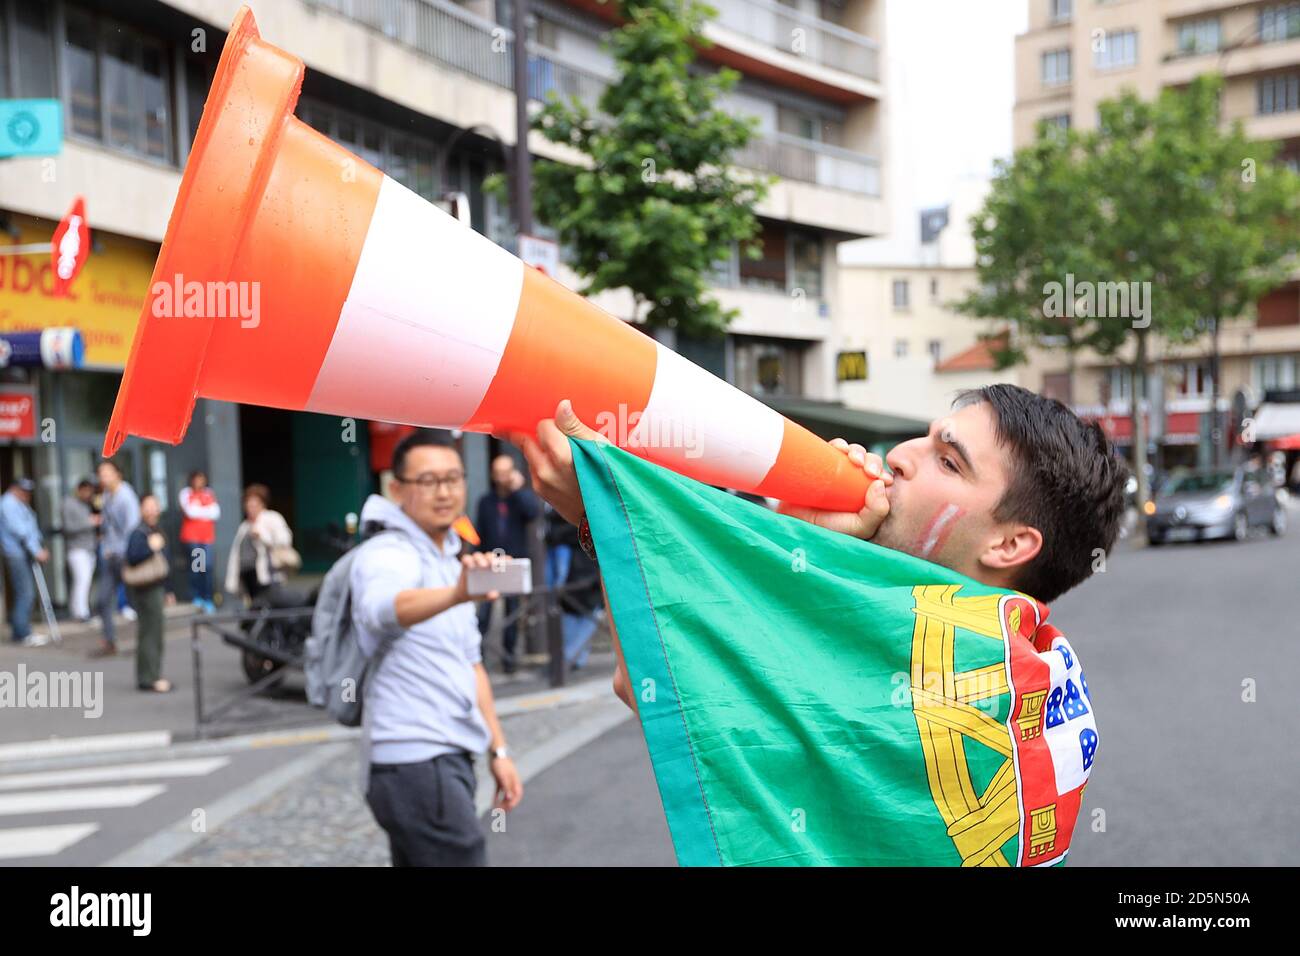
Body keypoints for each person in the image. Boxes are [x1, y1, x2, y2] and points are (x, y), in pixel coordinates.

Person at [509, 385, 1127, 712]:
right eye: (929, 437)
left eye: (948, 461)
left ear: (1011, 543)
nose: (901, 456)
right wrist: (807, 550)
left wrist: (600, 514)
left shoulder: (942, 685)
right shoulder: (1025, 665)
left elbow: (658, 689)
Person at [351, 429, 523, 866]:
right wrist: (457, 594)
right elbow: (382, 607)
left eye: (453, 478)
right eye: (427, 481)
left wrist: (498, 750)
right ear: (396, 488)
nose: (444, 492)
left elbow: (471, 663)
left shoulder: (448, 556)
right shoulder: (387, 551)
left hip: (444, 756)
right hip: (414, 759)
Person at [474, 454, 540, 673]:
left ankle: (509, 660)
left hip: (513, 559)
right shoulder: (486, 501)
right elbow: (480, 531)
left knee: (512, 614)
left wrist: (519, 489)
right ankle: (478, 657)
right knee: (483, 613)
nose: (502, 478)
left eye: (506, 473)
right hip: (489, 561)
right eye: (498, 473)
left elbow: (532, 512)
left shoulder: (519, 499)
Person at [124, 494, 174, 693]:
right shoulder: (139, 533)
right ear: (141, 509)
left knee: (155, 632)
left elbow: (165, 563)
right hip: (146, 588)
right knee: (150, 633)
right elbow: (132, 557)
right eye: (148, 506)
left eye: (155, 506)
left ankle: (153, 675)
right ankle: (148, 677)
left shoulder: (157, 530)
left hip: (157, 586)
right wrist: (150, 547)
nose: (153, 510)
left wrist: (169, 590)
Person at [93, 459, 140, 657]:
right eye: (101, 474)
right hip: (110, 555)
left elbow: (133, 526)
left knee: (136, 599)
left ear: (117, 474)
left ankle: (146, 639)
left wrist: (127, 552)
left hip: (125, 555)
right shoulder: (105, 496)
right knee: (102, 599)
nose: (103, 477)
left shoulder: (125, 495)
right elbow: (106, 526)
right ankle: (110, 640)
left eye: (107, 473)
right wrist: (104, 546)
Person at [0, 478, 50, 647]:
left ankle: (18, 631)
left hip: (22, 553)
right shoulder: (8, 504)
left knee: (23, 592)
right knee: (26, 593)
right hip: (18, 554)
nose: (26, 495)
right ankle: (23, 633)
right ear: (14, 489)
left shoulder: (18, 504)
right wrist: (36, 550)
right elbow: (21, 531)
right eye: (23, 491)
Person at [224, 484, 294, 604]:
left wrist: (262, 536)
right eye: (248, 505)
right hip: (248, 576)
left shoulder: (272, 518)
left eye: (254, 505)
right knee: (254, 607)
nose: (251, 508)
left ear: (262, 504)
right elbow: (236, 553)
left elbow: (285, 540)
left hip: (268, 575)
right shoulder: (245, 526)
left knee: (269, 606)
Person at [178, 470, 220, 613]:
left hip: (206, 538)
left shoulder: (209, 493)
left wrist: (200, 510)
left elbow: (215, 513)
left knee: (206, 567)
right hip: (193, 538)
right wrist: (204, 511)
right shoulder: (186, 493)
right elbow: (190, 512)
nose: (199, 482)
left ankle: (207, 598)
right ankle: (198, 597)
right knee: (198, 567)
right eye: (196, 479)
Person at [62, 480, 100, 622]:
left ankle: (79, 611)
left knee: (85, 581)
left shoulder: (87, 504)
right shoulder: (68, 503)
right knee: (82, 580)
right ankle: (82, 613)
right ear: (79, 489)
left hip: (90, 548)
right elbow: (68, 528)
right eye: (86, 491)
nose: (88, 494)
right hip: (77, 549)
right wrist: (89, 523)